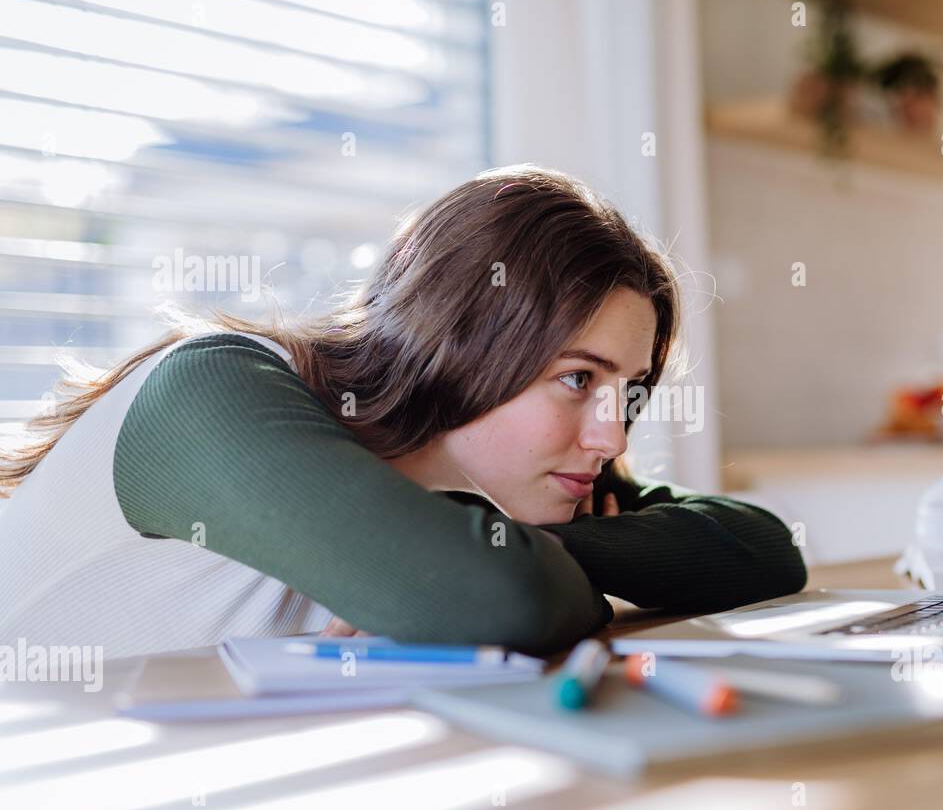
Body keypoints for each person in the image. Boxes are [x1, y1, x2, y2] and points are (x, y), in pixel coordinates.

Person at [0, 165, 806, 659]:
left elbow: (757, 548)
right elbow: (499, 600)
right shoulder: (211, 391)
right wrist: (480, 568)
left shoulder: (512, 480)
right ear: (463, 345)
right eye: (576, 379)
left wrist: (520, 551)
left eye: (628, 391)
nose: (612, 433)